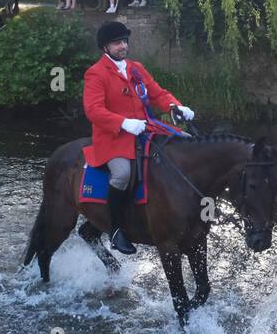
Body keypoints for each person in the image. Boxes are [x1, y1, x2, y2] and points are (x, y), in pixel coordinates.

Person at [83, 21, 195, 255]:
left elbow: (158, 94)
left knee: (187, 142)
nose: (123, 46)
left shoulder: (136, 68)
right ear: (105, 47)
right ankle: (115, 230)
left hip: (146, 128)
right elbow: (93, 110)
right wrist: (123, 122)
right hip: (113, 137)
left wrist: (176, 106)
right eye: (117, 43)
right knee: (122, 173)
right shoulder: (96, 73)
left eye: (124, 41)